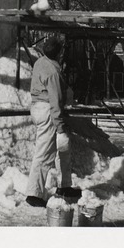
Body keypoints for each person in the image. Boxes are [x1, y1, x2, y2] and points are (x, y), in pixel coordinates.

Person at [26, 35, 74, 207]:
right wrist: (60, 127)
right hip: (48, 111)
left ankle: (65, 186)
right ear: (59, 53)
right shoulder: (53, 72)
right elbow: (55, 101)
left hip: (39, 107)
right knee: (44, 153)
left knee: (64, 150)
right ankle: (34, 194)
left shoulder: (41, 62)